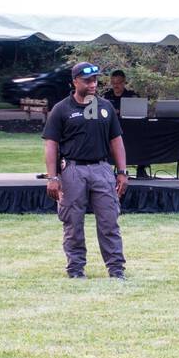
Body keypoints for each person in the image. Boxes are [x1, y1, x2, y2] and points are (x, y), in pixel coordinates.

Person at [43, 62, 129, 278]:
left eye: (95, 80)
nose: (93, 84)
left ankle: (116, 270)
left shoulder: (106, 107)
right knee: (73, 222)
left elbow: (116, 141)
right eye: (87, 80)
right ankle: (75, 269)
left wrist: (122, 172)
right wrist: (52, 177)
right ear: (74, 82)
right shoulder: (62, 109)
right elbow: (51, 145)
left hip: (101, 169)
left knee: (109, 221)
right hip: (73, 170)